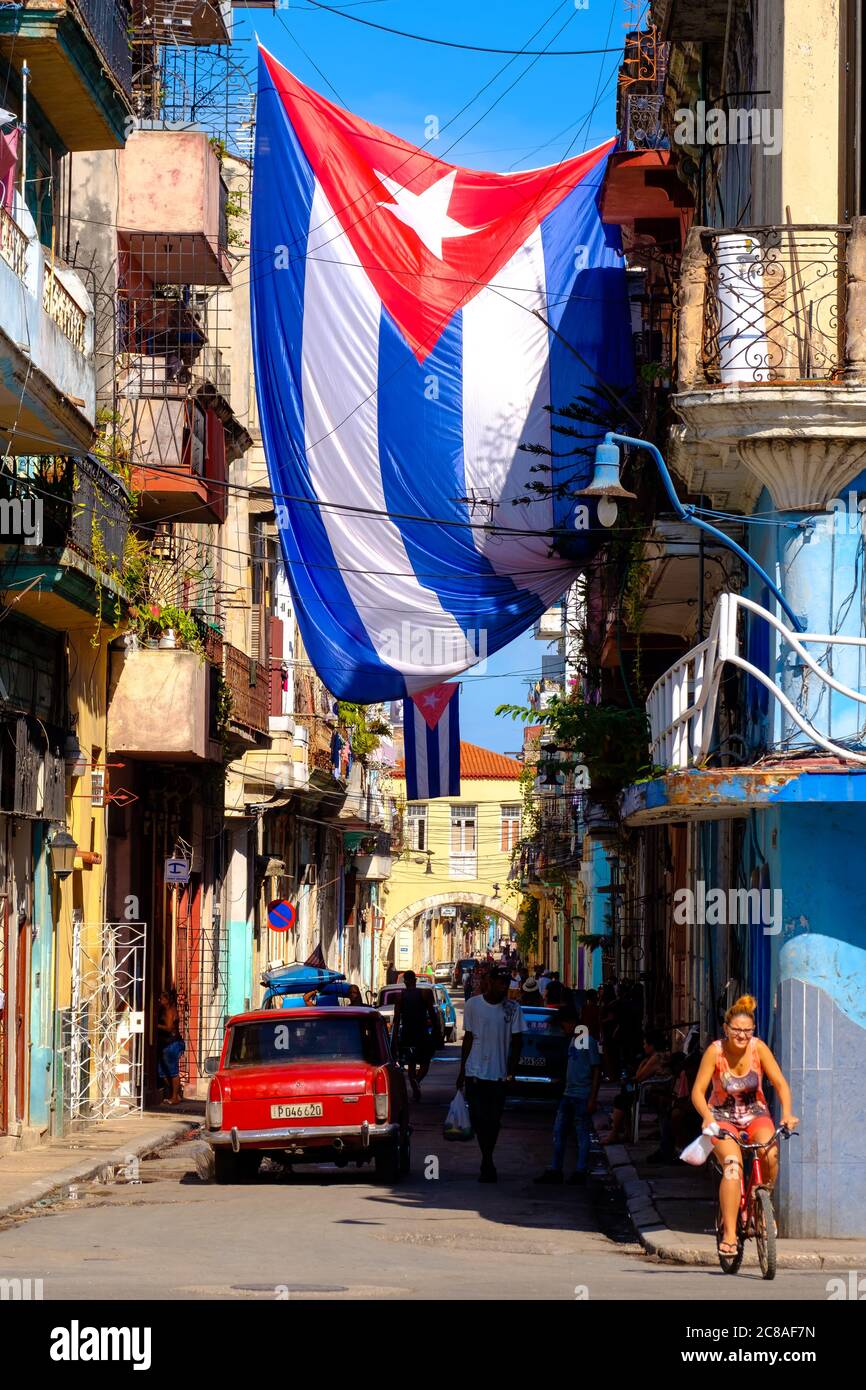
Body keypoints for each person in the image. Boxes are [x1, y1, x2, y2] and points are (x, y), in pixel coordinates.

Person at [691, 994, 798, 1257]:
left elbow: (781, 1084)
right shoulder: (715, 1052)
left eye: (747, 1031)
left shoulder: (758, 1048)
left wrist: (787, 1113)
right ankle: (729, 1232)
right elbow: (697, 1091)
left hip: (755, 1115)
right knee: (732, 1168)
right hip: (722, 1118)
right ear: (726, 1029)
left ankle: (761, 1204)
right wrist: (707, 1116)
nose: (742, 1035)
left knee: (770, 1153)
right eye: (736, 1030)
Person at [457, 967, 523, 1182]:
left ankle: (487, 1160)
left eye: (507, 982)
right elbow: (468, 1038)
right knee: (478, 1119)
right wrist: (461, 1071)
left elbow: (517, 1043)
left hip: (498, 1076)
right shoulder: (473, 1005)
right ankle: (487, 1160)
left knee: (493, 1121)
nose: (505, 986)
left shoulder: (513, 1009)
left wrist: (511, 1073)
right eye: (501, 982)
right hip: (474, 1073)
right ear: (490, 982)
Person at [535, 1006, 601, 1185]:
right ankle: (556, 1169)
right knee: (559, 1133)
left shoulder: (586, 1040)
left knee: (581, 1134)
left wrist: (593, 1097)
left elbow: (596, 1070)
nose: (561, 1029)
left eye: (563, 1025)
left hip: (581, 1094)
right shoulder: (574, 1040)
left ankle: (580, 1170)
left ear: (570, 1022)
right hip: (568, 1093)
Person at [600, 1028, 669, 1146]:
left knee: (621, 1098)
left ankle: (614, 1133)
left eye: (645, 1044)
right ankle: (627, 1131)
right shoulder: (662, 1055)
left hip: (652, 1092)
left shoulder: (656, 1057)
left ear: (651, 1045)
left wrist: (643, 1063)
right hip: (654, 1089)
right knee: (625, 1090)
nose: (643, 1046)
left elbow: (639, 1077)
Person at [393, 971, 440, 1100]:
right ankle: (417, 1081)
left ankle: (415, 1089)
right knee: (425, 1061)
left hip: (407, 1033)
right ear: (415, 980)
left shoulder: (400, 997)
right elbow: (432, 1014)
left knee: (411, 1063)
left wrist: (395, 1038)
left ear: (405, 982)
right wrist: (437, 1031)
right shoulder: (424, 993)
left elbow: (397, 1020)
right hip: (421, 1032)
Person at [156, 988, 185, 1105]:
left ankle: (174, 1097)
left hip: (172, 1043)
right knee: (162, 1071)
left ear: (167, 1000)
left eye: (162, 999)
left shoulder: (169, 1011)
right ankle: (176, 1093)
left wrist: (156, 1025)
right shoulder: (167, 1010)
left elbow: (168, 1027)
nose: (159, 1000)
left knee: (172, 1071)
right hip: (169, 1044)